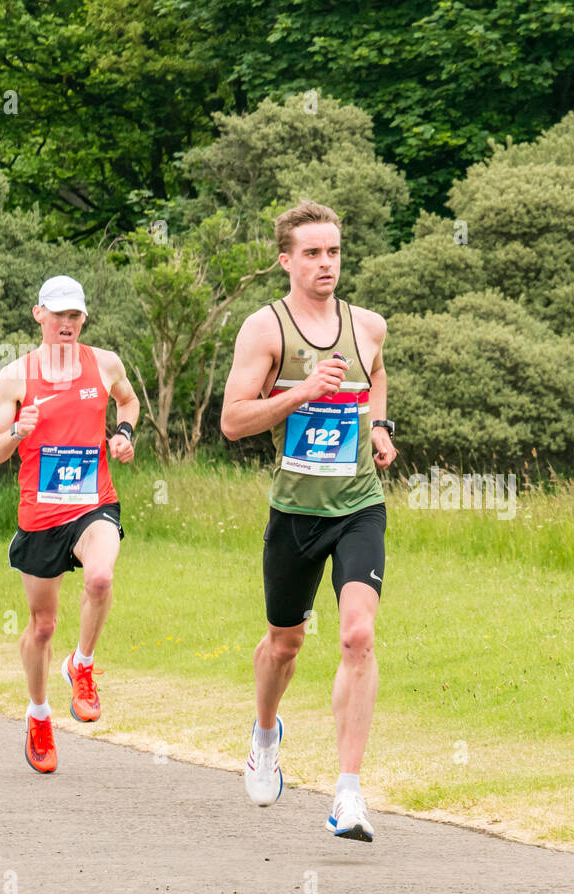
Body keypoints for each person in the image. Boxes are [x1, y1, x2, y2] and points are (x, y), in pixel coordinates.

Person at [221, 201, 397, 841]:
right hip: (295, 511)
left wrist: (379, 428)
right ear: (286, 260)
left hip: (358, 504)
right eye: (314, 253)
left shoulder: (368, 325)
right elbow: (233, 421)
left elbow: (374, 376)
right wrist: (300, 392)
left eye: (335, 252)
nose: (327, 264)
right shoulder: (264, 331)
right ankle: (265, 733)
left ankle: (348, 795)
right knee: (285, 644)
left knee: (357, 635)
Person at [0, 275, 139, 773]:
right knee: (42, 626)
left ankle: (83, 665)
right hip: (41, 515)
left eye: (75, 316)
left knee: (100, 577)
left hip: (94, 505)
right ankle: (39, 713)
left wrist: (124, 435)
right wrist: (14, 431)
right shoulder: (15, 377)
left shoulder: (105, 363)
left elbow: (128, 402)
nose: (67, 324)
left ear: (83, 320)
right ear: (38, 315)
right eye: (58, 315)